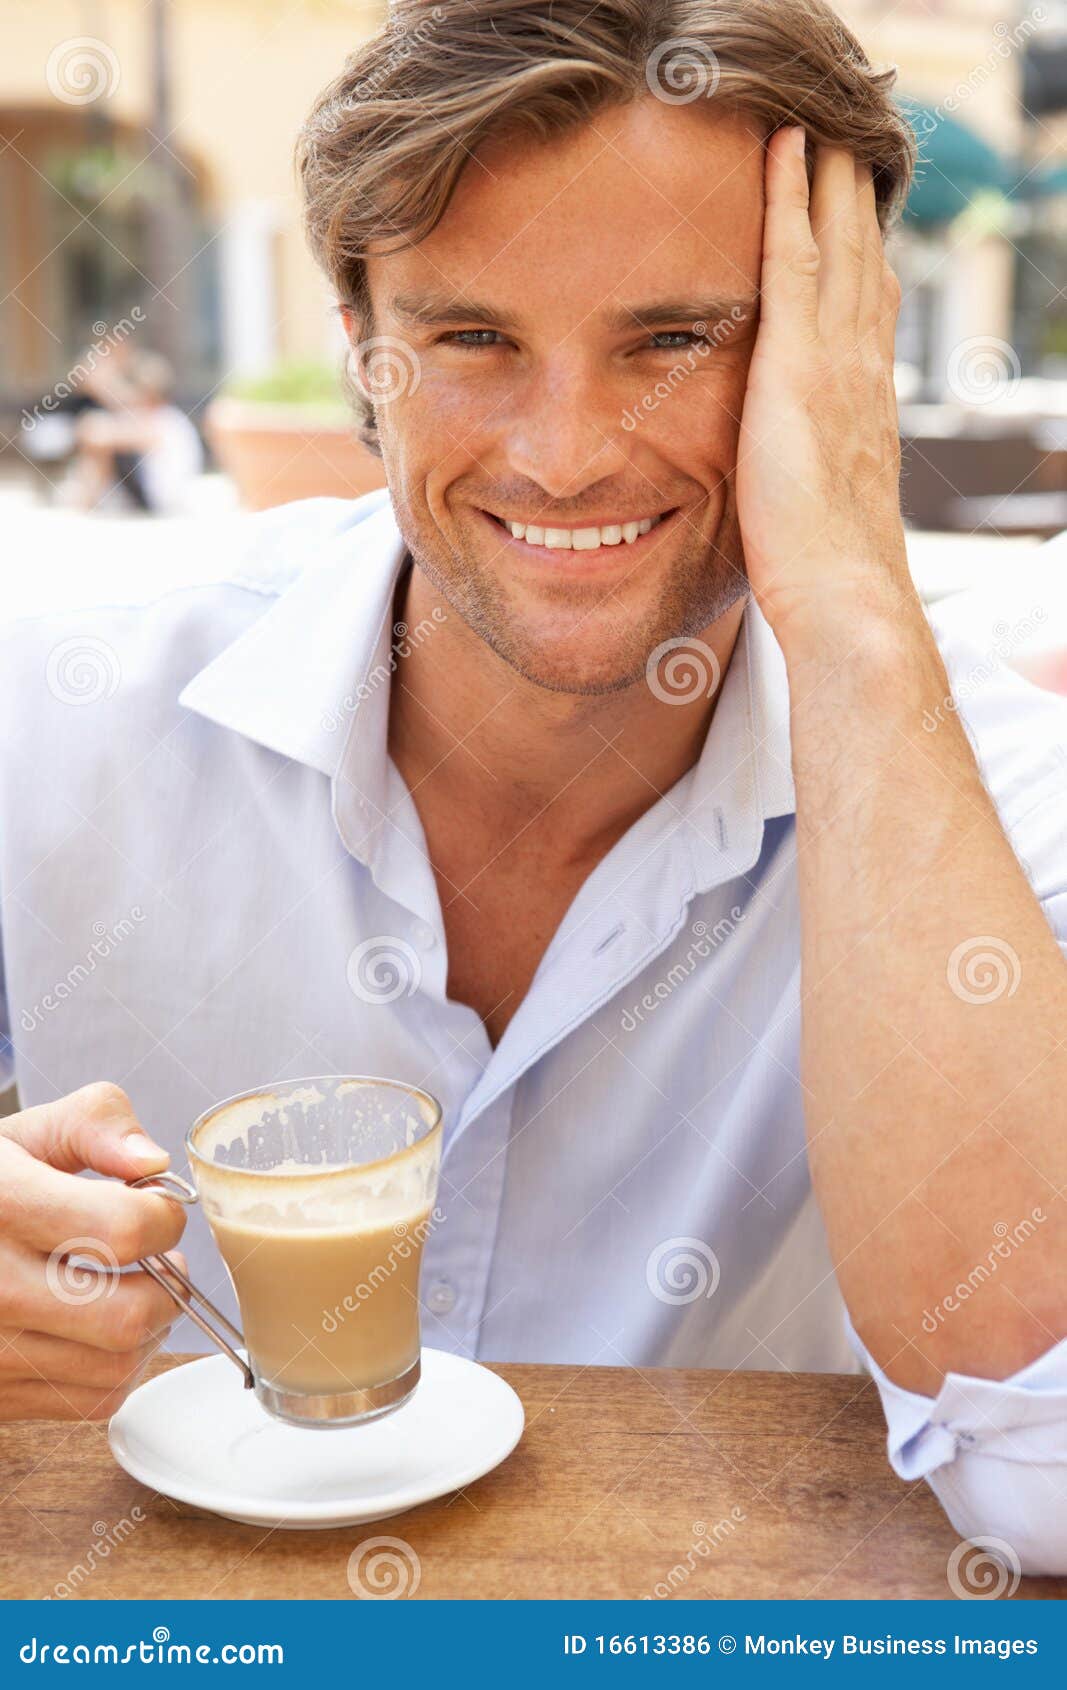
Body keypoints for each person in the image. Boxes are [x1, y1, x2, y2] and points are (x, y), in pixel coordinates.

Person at [2, 0, 1067, 1572]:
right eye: (471, 337)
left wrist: (845, 598)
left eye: (674, 338)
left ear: (836, 351)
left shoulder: (991, 796)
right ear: (362, 342)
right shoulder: (53, 712)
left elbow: (1039, 1475)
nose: (565, 454)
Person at [68, 350, 203, 514]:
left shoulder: (165, 421)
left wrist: (102, 387)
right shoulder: (159, 417)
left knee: (101, 441)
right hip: (156, 501)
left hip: (162, 504)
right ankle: (85, 504)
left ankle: (84, 507)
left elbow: (100, 435)